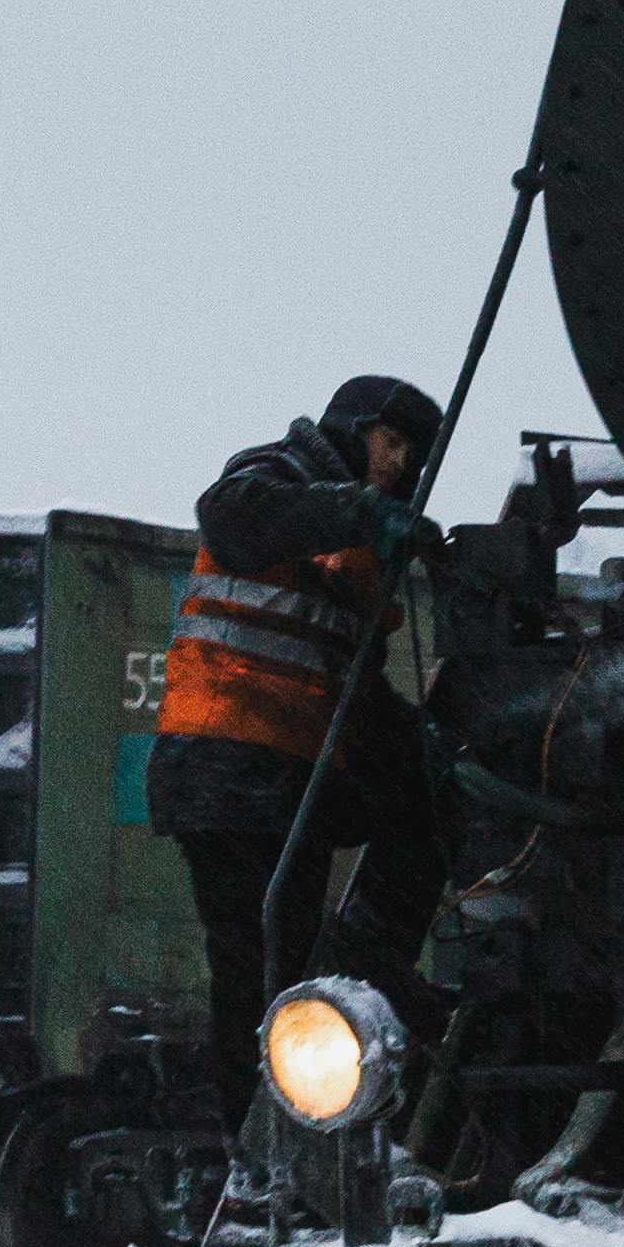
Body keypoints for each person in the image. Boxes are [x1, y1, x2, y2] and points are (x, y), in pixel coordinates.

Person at [147, 374, 451, 1093]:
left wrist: (432, 755)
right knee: (260, 969)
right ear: (352, 427)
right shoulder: (274, 477)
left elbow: (351, 690)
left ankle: (367, 966)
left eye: (416, 453)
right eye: (394, 441)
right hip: (224, 766)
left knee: (431, 794)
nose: (402, 463)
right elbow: (233, 518)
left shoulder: (359, 547)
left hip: (295, 776)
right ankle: (257, 1146)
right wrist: (362, 511)